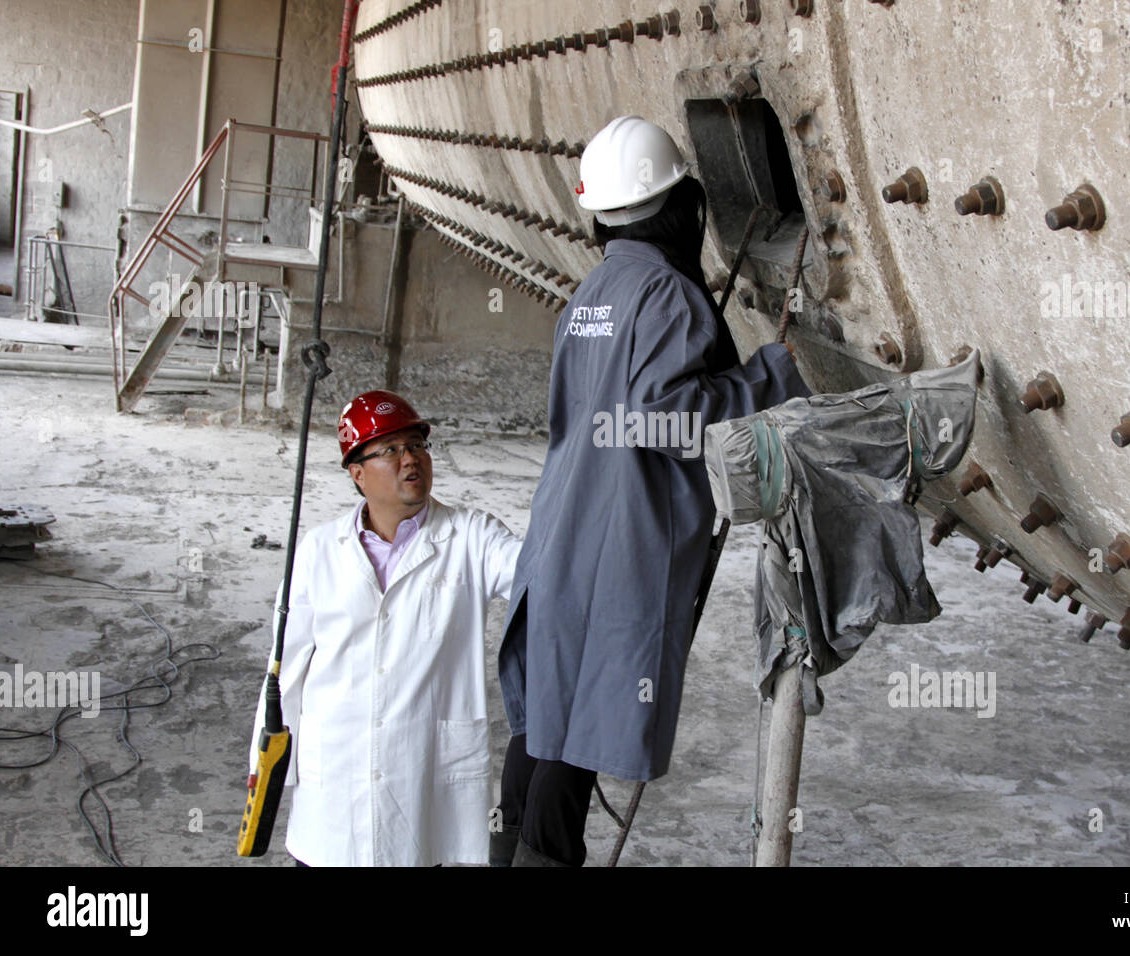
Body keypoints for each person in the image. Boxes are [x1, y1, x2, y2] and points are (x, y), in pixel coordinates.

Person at [494, 116, 812, 866]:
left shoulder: (593, 291)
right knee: (572, 748)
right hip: (620, 535)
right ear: (679, 207)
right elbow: (666, 418)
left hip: (564, 522)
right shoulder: (668, 292)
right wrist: (770, 374)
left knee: (545, 720)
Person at [248, 389, 522, 866]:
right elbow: (285, 669)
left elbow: (536, 571)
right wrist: (265, 773)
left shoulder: (472, 537)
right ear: (357, 472)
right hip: (334, 783)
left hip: (422, 776)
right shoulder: (317, 551)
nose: (410, 459)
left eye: (416, 444)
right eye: (390, 450)